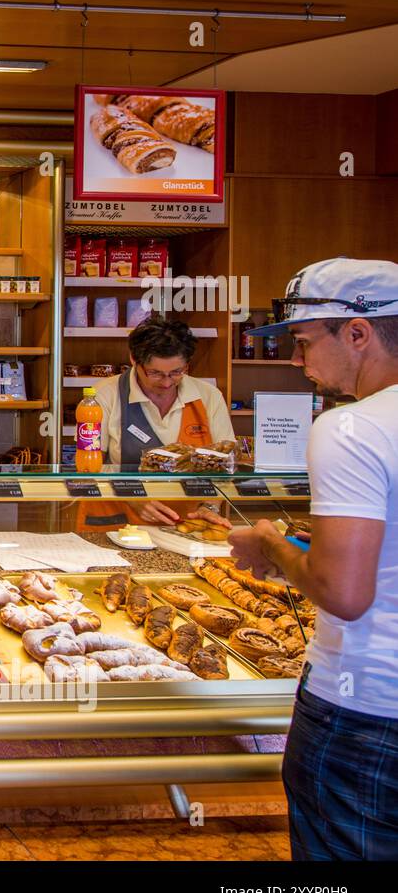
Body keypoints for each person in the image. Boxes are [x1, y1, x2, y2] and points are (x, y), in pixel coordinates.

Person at [227, 257, 398, 860]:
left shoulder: (352, 427)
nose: (298, 362)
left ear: (357, 332)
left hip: (368, 711)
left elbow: (345, 592)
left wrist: (271, 544)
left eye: (302, 343)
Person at [80, 318, 235, 529]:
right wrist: (133, 496)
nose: (167, 382)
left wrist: (210, 506)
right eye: (155, 373)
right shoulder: (104, 396)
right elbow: (88, 468)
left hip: (186, 526)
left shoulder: (208, 397)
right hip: (115, 523)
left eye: (177, 372)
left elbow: (223, 468)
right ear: (134, 360)